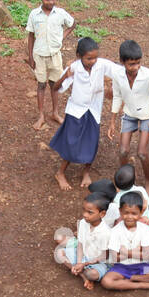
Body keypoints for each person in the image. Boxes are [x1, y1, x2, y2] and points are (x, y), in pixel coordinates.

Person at [48, 37, 117, 191]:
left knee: (91, 142)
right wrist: (66, 76)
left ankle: (86, 171)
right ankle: (60, 173)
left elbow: (119, 72)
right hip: (76, 110)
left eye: (95, 58)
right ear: (79, 56)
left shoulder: (102, 65)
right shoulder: (74, 67)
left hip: (93, 110)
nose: (92, 61)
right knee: (72, 142)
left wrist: (113, 87)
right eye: (88, 58)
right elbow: (56, 88)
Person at [106, 39, 149, 188]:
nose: (136, 67)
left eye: (138, 63)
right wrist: (112, 121)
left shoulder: (148, 75)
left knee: (142, 153)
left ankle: (148, 181)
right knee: (123, 151)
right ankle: (126, 181)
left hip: (146, 114)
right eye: (131, 64)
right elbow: (117, 96)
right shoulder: (118, 75)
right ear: (122, 62)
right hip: (129, 113)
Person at [26, 0, 75, 130]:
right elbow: (31, 36)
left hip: (55, 55)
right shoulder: (34, 14)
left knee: (55, 85)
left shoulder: (60, 14)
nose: (51, 2)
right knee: (41, 85)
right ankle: (41, 115)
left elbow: (72, 23)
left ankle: (55, 112)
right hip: (39, 56)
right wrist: (30, 57)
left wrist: (62, 37)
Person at [101, 192, 149, 291]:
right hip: (121, 267)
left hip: (142, 266)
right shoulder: (115, 231)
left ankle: (133, 279)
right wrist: (137, 251)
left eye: (134, 213)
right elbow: (115, 257)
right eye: (126, 212)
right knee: (106, 281)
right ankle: (142, 285)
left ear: (140, 213)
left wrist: (125, 252)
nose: (129, 217)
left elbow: (146, 255)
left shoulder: (144, 229)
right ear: (120, 211)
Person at [53, 194, 113, 290]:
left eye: (90, 212)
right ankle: (83, 276)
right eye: (83, 210)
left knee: (92, 274)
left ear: (102, 214)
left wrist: (83, 264)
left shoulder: (105, 233)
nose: (85, 214)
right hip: (83, 256)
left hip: (98, 262)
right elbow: (80, 244)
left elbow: (103, 256)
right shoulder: (83, 223)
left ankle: (83, 273)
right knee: (59, 253)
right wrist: (79, 262)